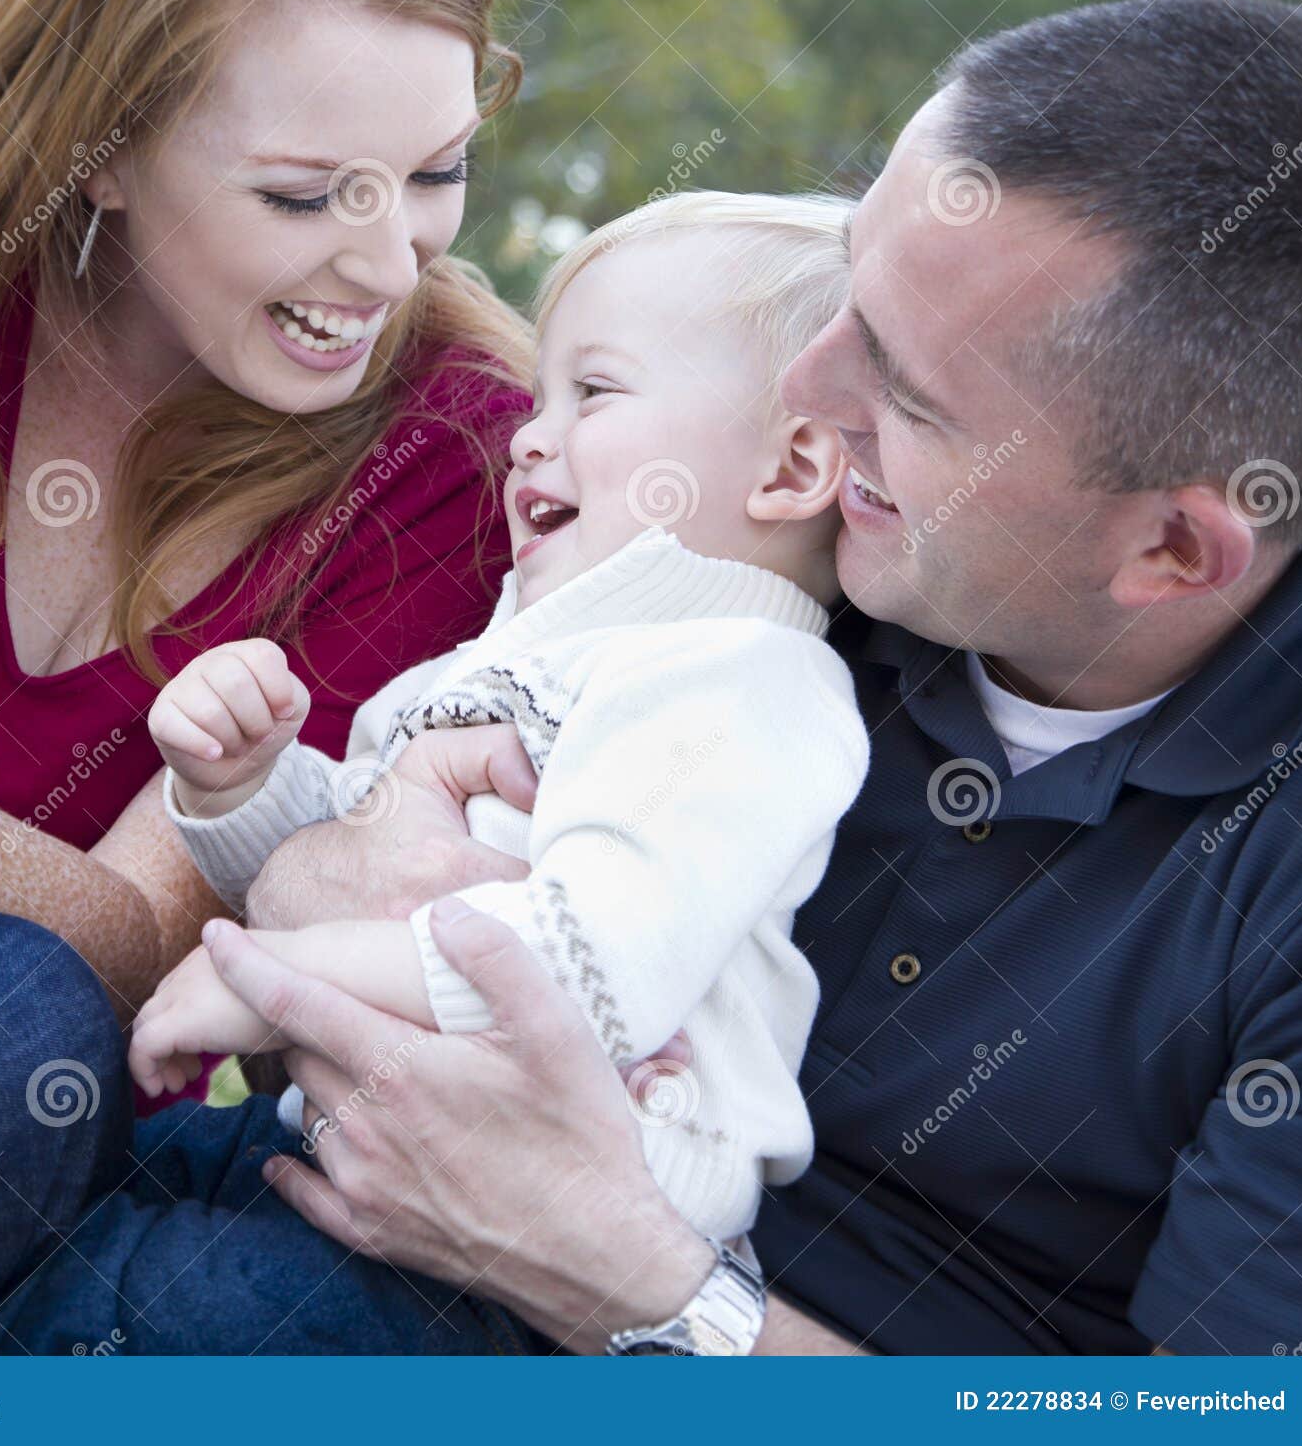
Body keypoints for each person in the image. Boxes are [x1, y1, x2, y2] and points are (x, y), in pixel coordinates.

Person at [156, 0, 1302, 1356]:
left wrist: (629, 1280)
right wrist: (324, 862)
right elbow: (379, 835)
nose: (807, 396)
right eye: (852, 291)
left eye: (907, 390)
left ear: (1174, 547)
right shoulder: (752, 550)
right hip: (312, 1218)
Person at [0, 0, 537, 1353]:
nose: (387, 266)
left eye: (436, 172)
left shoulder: (445, 464)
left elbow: (148, 953)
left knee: (16, 1021)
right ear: (93, 149)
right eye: (302, 196)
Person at [131, 192, 872, 1252]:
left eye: (594, 391)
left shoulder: (747, 683)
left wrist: (277, 987)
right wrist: (242, 784)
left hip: (535, 1238)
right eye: (538, 396)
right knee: (22, 1206)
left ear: (791, 468)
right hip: (349, 1158)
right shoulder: (494, 662)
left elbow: (591, 965)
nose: (529, 437)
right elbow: (322, 870)